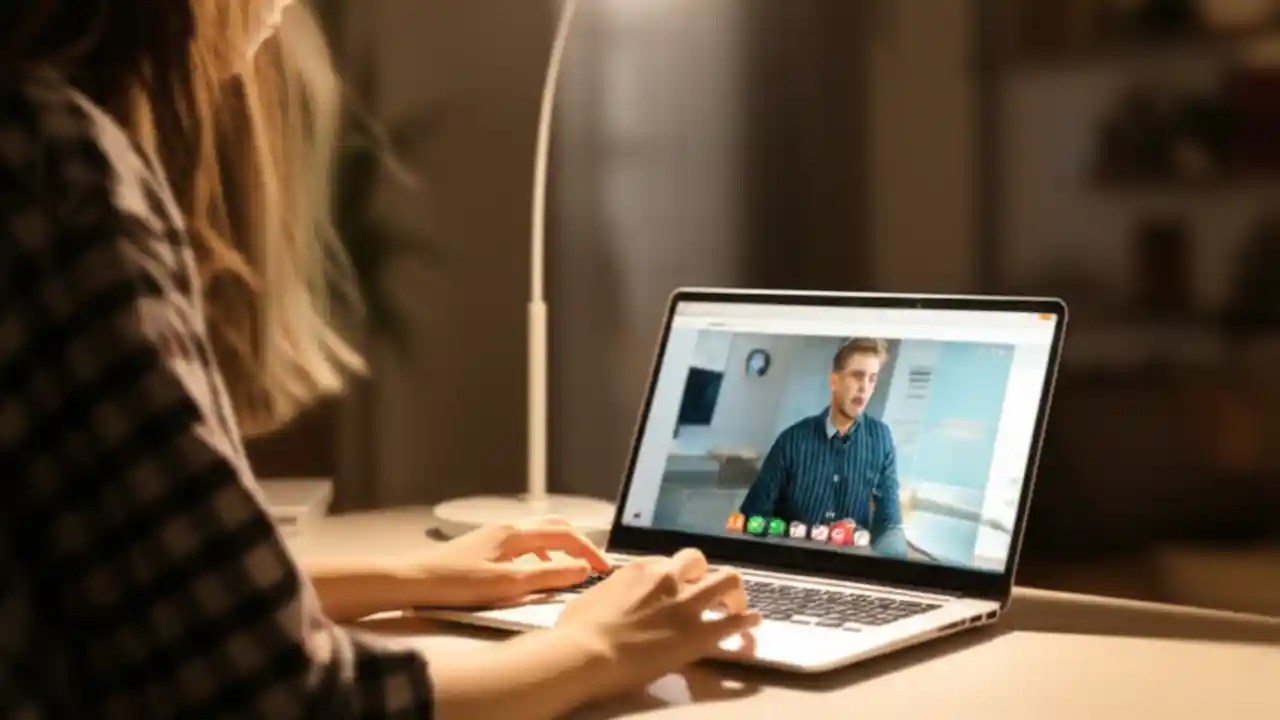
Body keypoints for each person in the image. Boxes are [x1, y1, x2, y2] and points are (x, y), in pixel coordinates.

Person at [0, 1, 758, 717]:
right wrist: (597, 645)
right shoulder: (53, 163)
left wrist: (413, 577)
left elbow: (149, 593)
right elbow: (276, 695)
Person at [738, 338, 908, 558]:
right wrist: (798, 536)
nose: (864, 387)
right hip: (793, 564)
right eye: (857, 376)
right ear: (834, 381)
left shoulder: (881, 438)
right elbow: (752, 517)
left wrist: (890, 563)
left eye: (872, 379)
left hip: (850, 570)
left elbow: (890, 522)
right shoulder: (792, 440)